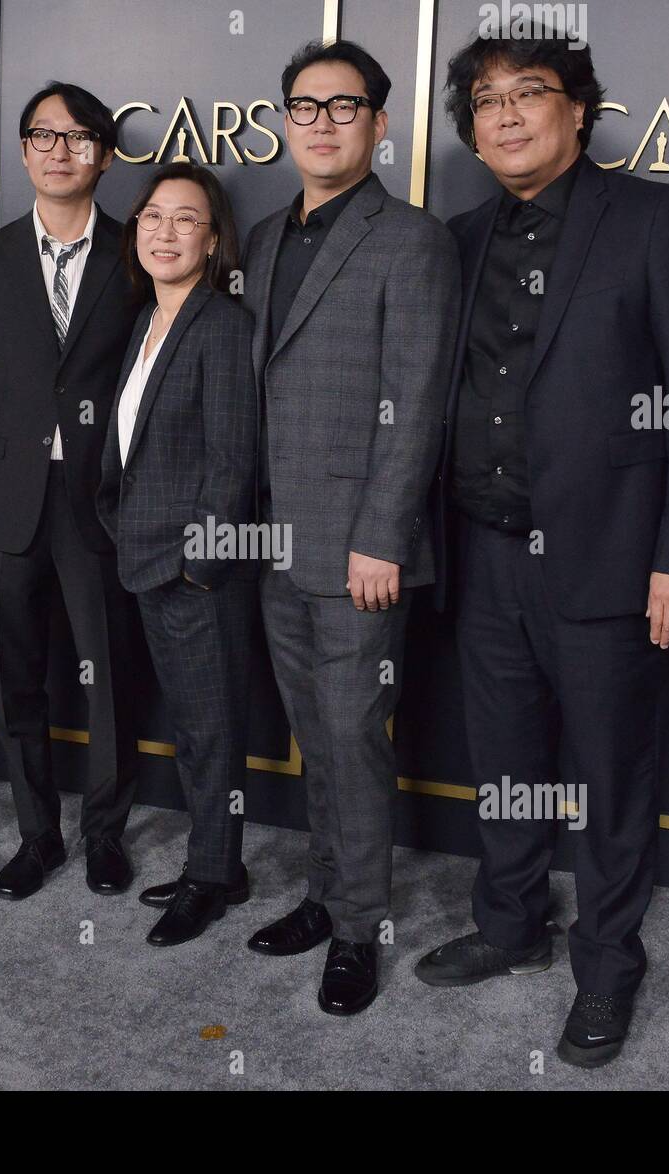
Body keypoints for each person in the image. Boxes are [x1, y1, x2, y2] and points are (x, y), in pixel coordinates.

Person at [417, 26, 669, 1068]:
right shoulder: (457, 238)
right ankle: (509, 923)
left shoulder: (653, 218)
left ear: (577, 110)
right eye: (486, 102)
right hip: (484, 551)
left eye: (529, 94)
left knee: (607, 777)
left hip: (610, 559)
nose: (504, 115)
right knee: (504, 764)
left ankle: (607, 966)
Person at [241, 40, 460, 1015]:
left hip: (359, 549)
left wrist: (383, 534)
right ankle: (327, 899)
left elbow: (416, 404)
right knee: (313, 738)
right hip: (272, 545)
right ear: (284, 121)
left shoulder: (412, 239)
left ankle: (360, 926)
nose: (321, 122)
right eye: (303, 105)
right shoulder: (257, 237)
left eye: (343, 105)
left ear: (378, 123)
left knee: (354, 738)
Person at [0, 83, 141, 902]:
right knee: (15, 678)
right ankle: (38, 834)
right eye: (42, 135)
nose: (59, 150)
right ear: (23, 152)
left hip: (101, 499)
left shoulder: (138, 252)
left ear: (104, 152)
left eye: (78, 136)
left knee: (110, 678)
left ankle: (105, 833)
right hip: (10, 499)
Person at [96, 163, 258, 947]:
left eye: (185, 219)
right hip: (147, 556)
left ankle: (214, 876)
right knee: (196, 726)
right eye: (152, 216)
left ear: (214, 238)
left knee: (210, 730)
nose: (164, 232)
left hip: (194, 571)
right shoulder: (148, 320)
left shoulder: (221, 325)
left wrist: (202, 563)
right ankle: (218, 861)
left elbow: (233, 460)